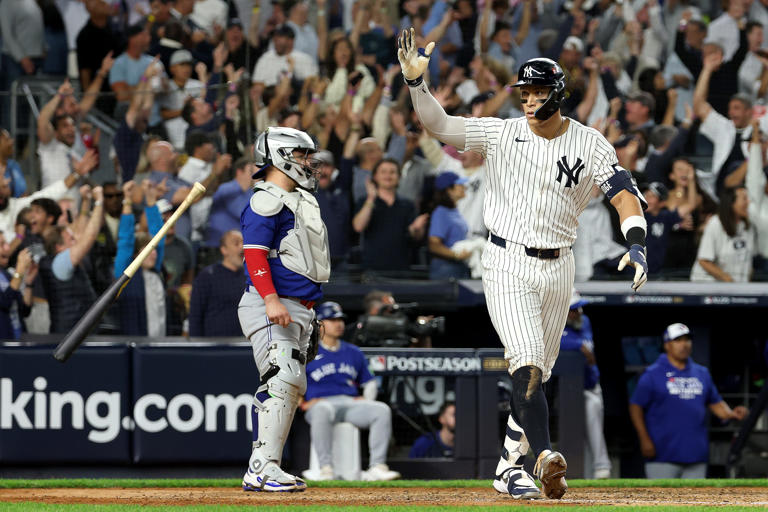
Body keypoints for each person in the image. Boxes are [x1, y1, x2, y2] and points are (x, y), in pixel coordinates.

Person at [397, 32, 649, 499]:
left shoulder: (589, 142)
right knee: (528, 363)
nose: (530, 99)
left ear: (557, 94)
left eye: (537, 91)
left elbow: (623, 196)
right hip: (506, 258)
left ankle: (508, 468)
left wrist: (636, 245)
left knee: (538, 373)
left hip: (560, 267)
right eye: (525, 92)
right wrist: (417, 84)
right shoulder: (502, 130)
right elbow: (442, 126)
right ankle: (545, 458)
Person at [238, 127, 330, 492]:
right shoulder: (266, 200)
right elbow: (254, 255)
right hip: (272, 305)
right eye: (302, 155)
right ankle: (261, 468)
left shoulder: (297, 197)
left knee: (290, 383)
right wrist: (271, 299)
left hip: (298, 307)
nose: (309, 163)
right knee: (281, 379)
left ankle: (267, 466)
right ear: (280, 155)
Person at [629, 323, 748, 479]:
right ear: (667, 345)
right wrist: (644, 438)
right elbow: (635, 406)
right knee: (662, 502)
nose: (684, 344)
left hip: (696, 455)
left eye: (687, 340)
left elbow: (716, 403)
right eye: (678, 340)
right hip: (662, 455)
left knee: (695, 503)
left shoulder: (701, 373)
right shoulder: (652, 374)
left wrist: (732, 414)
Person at [301, 301, 401, 481]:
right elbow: (292, 382)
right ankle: (325, 468)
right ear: (320, 323)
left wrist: (367, 399)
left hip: (349, 404)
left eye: (340, 319)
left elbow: (369, 382)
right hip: (320, 405)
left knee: (381, 410)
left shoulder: (353, 351)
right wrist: (302, 403)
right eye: (332, 319)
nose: (339, 324)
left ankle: (377, 466)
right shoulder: (308, 351)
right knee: (323, 409)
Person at [560, 290, 611, 479]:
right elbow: (557, 342)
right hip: (564, 392)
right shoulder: (552, 325)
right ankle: (599, 466)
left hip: (589, 385)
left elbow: (587, 351)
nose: (578, 312)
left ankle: (599, 468)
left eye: (579, 307)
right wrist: (578, 347)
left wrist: (579, 346)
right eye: (573, 309)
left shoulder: (584, 321)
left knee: (593, 411)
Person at [39, 186, 104, 334]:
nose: (75, 240)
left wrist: (86, 201)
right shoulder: (60, 262)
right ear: (59, 247)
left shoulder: (58, 259)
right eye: (70, 239)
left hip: (78, 332)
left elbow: (80, 234)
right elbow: (88, 238)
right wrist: (99, 202)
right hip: (69, 335)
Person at [690, 186, 755, 282]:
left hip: (737, 288)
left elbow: (748, 262)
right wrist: (728, 280)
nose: (748, 202)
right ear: (731, 203)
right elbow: (704, 261)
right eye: (744, 198)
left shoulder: (748, 227)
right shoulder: (715, 224)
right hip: (707, 287)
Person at [189, 230, 245, 337]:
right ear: (224, 250)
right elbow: (195, 316)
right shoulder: (207, 276)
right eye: (236, 243)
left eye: (244, 243)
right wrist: (196, 347)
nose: (242, 247)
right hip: (215, 347)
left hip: (245, 344)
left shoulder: (251, 277)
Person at [427, 171, 472, 279]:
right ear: (449, 190)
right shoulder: (441, 212)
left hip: (458, 267)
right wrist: (456, 255)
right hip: (445, 270)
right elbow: (434, 245)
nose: (464, 187)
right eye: (459, 185)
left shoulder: (453, 211)